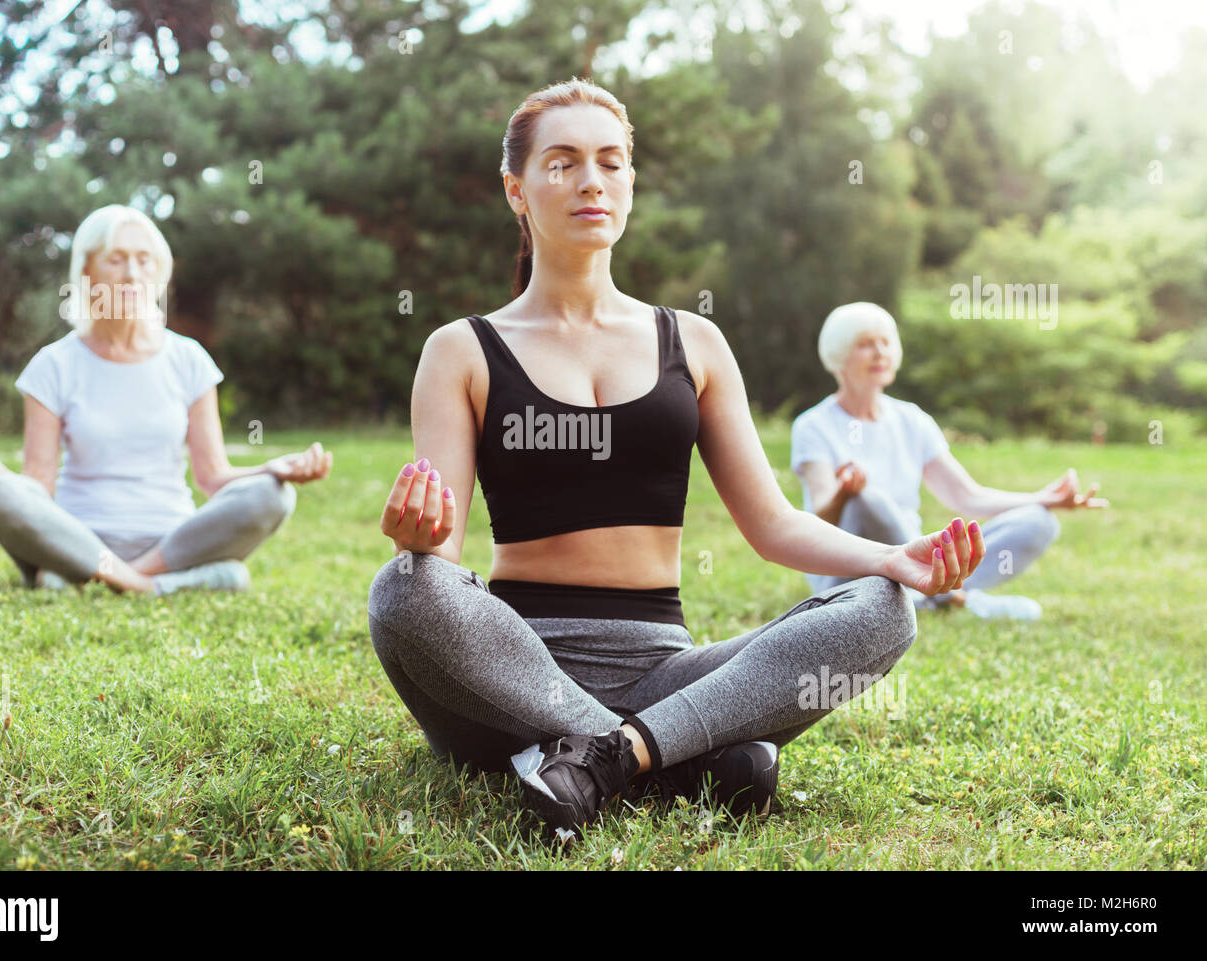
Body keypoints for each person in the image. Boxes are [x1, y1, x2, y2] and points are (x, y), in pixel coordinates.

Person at [366, 79, 983, 839]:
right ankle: (679, 758)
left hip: (665, 670)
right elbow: (445, 559)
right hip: (513, 675)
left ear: (630, 182)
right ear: (516, 190)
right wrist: (419, 542)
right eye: (561, 163)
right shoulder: (461, 349)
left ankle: (606, 758)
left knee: (882, 607)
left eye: (611, 162)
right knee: (403, 588)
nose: (591, 179)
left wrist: (896, 556)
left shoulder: (693, 343)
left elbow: (773, 524)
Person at [0, 204, 332, 596]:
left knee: (273, 494)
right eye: (116, 259)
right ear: (86, 272)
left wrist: (272, 468)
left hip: (170, 540)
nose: (132, 273)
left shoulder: (189, 360)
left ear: (159, 273)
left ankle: (115, 580)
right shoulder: (52, 365)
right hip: (78, 539)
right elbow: (37, 486)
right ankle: (156, 584)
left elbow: (212, 477)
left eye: (144, 260)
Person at [790, 302, 1108, 620]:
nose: (879, 352)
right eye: (864, 344)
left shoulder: (912, 420)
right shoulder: (813, 425)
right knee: (867, 499)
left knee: (1040, 520)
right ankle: (952, 597)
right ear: (839, 355)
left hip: (915, 560)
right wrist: (846, 492)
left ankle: (932, 594)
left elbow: (967, 497)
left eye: (885, 342)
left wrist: (1048, 499)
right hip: (849, 573)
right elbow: (821, 515)